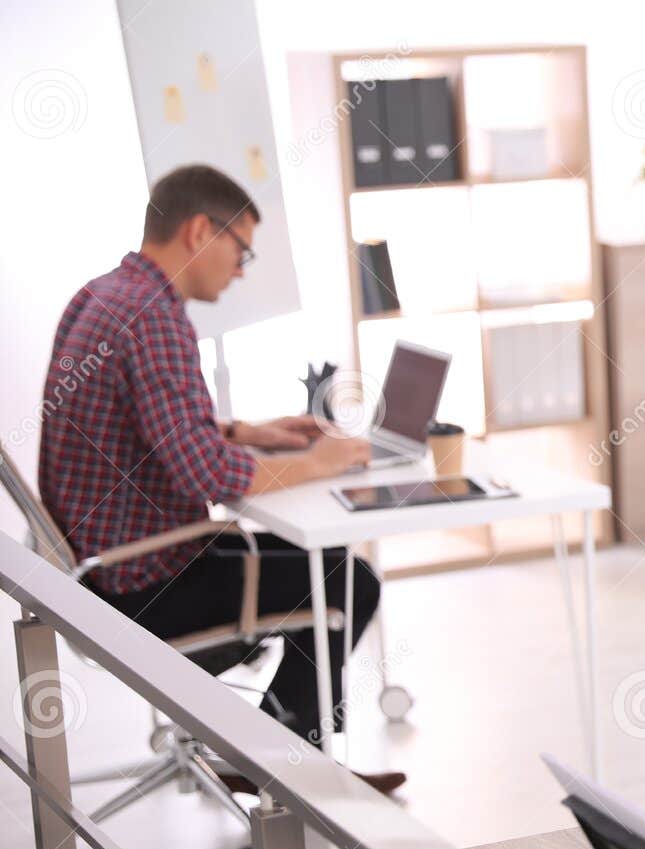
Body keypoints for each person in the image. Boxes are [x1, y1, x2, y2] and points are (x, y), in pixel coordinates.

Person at [39, 164, 404, 793]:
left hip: (104, 569)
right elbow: (204, 472)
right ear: (201, 230)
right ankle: (291, 776)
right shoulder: (153, 316)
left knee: (322, 564)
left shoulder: (105, 295)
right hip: (144, 584)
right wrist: (321, 462)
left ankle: (273, 757)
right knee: (346, 580)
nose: (241, 269)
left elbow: (153, 428)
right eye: (242, 250)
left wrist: (246, 431)